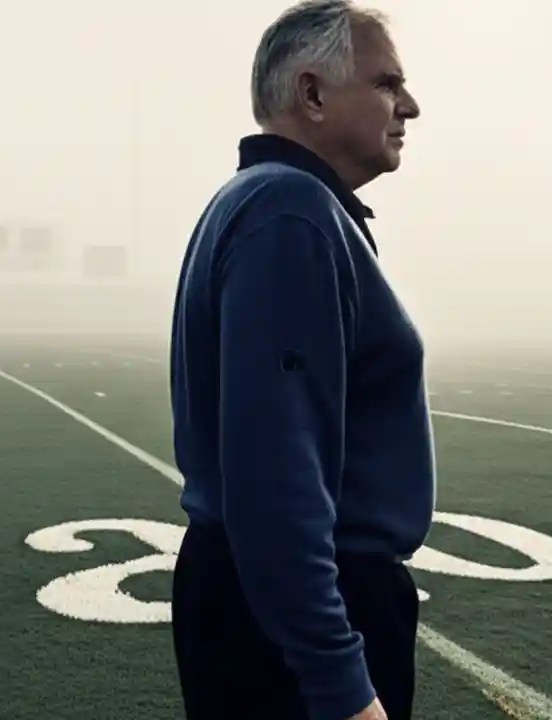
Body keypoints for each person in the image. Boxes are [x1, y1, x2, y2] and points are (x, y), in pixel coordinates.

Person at [168, 1, 433, 719]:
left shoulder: (271, 203)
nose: (409, 105)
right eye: (386, 84)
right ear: (312, 94)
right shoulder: (289, 214)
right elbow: (276, 481)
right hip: (294, 623)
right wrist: (341, 684)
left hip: (259, 605)